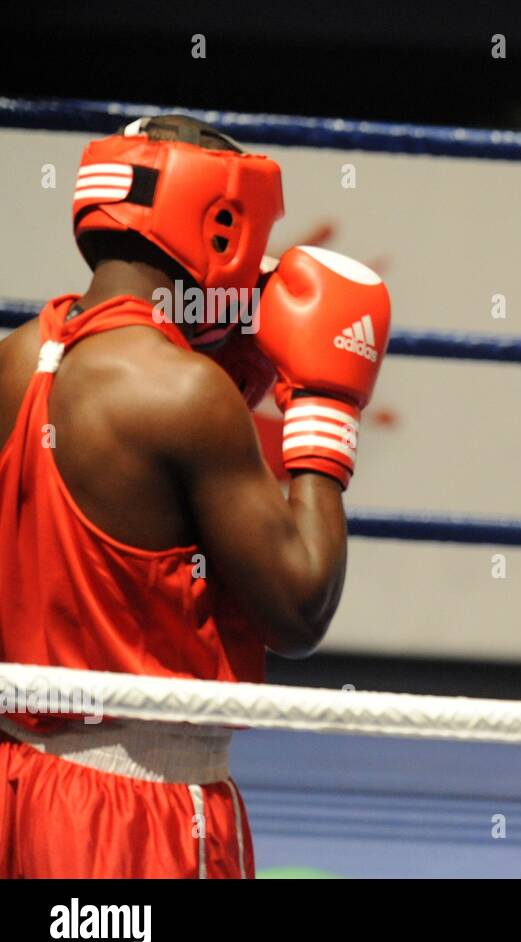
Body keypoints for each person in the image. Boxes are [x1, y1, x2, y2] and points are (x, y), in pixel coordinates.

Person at [0, 115, 390, 877]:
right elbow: (300, 608)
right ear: (220, 225)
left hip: (17, 786)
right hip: (137, 815)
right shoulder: (182, 393)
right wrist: (323, 409)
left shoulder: (13, 360)